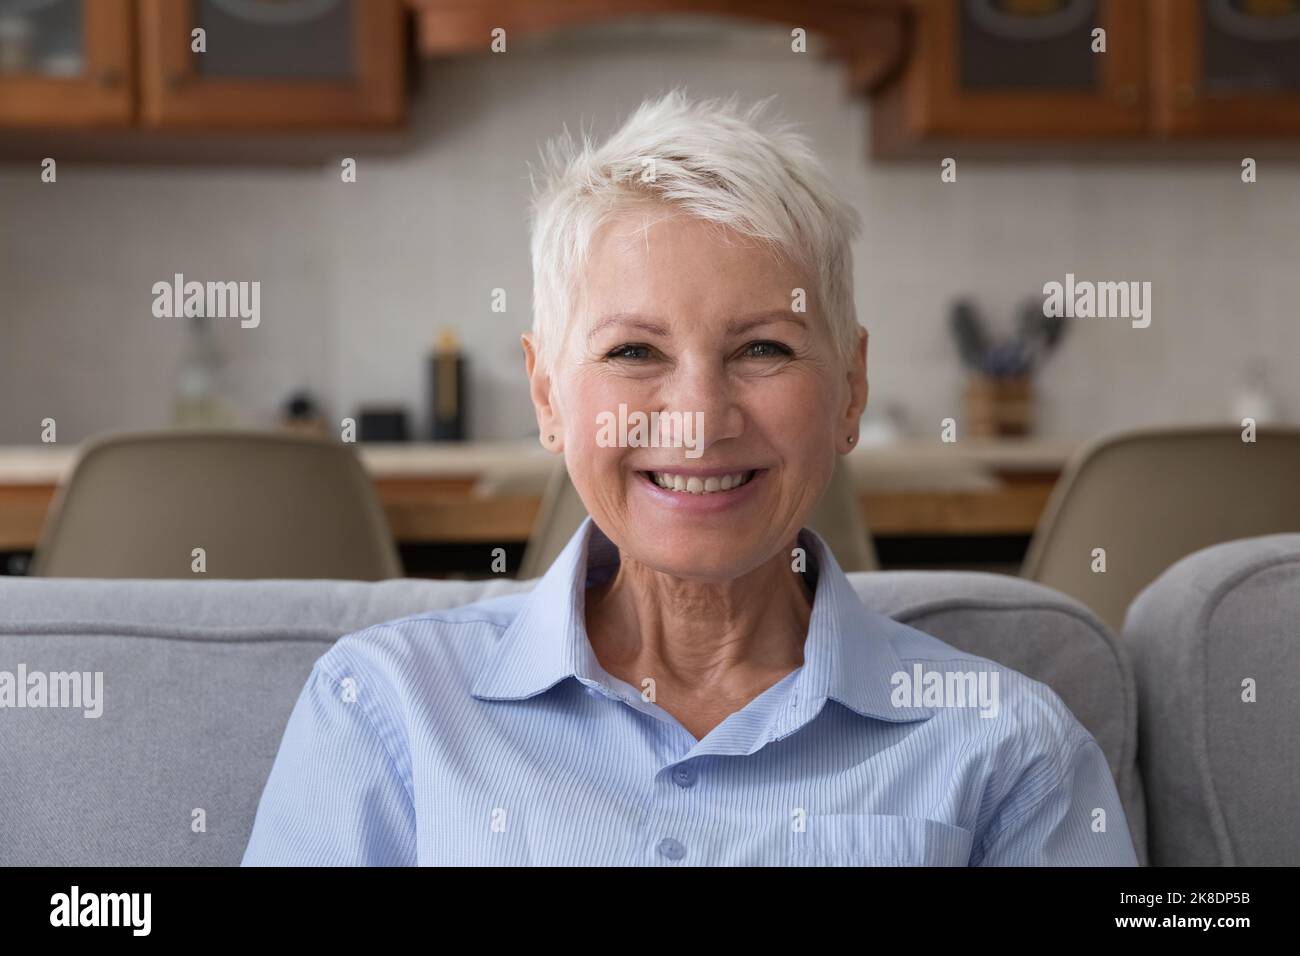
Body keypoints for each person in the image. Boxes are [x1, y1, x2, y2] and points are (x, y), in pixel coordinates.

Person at [242, 90, 1138, 866]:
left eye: (763, 349)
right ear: (548, 394)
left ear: (851, 388)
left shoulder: (1010, 749)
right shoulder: (385, 707)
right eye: (634, 350)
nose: (699, 419)